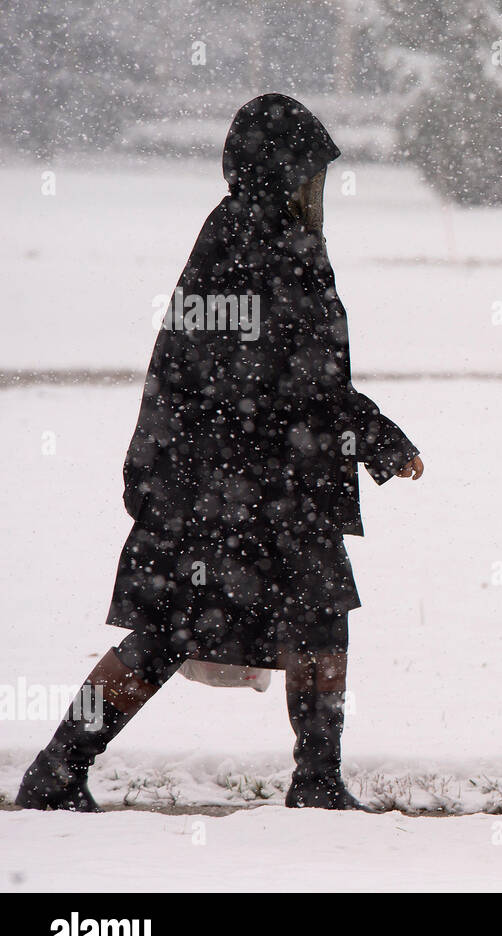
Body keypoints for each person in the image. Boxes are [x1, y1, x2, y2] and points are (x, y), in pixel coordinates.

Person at [16, 93, 422, 812]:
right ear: (279, 173)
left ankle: (313, 779)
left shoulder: (244, 234)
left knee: (286, 618)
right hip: (240, 485)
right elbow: (294, 380)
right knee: (194, 629)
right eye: (305, 175)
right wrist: (373, 435)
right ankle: (61, 770)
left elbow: (267, 375)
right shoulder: (262, 242)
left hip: (237, 481)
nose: (313, 192)